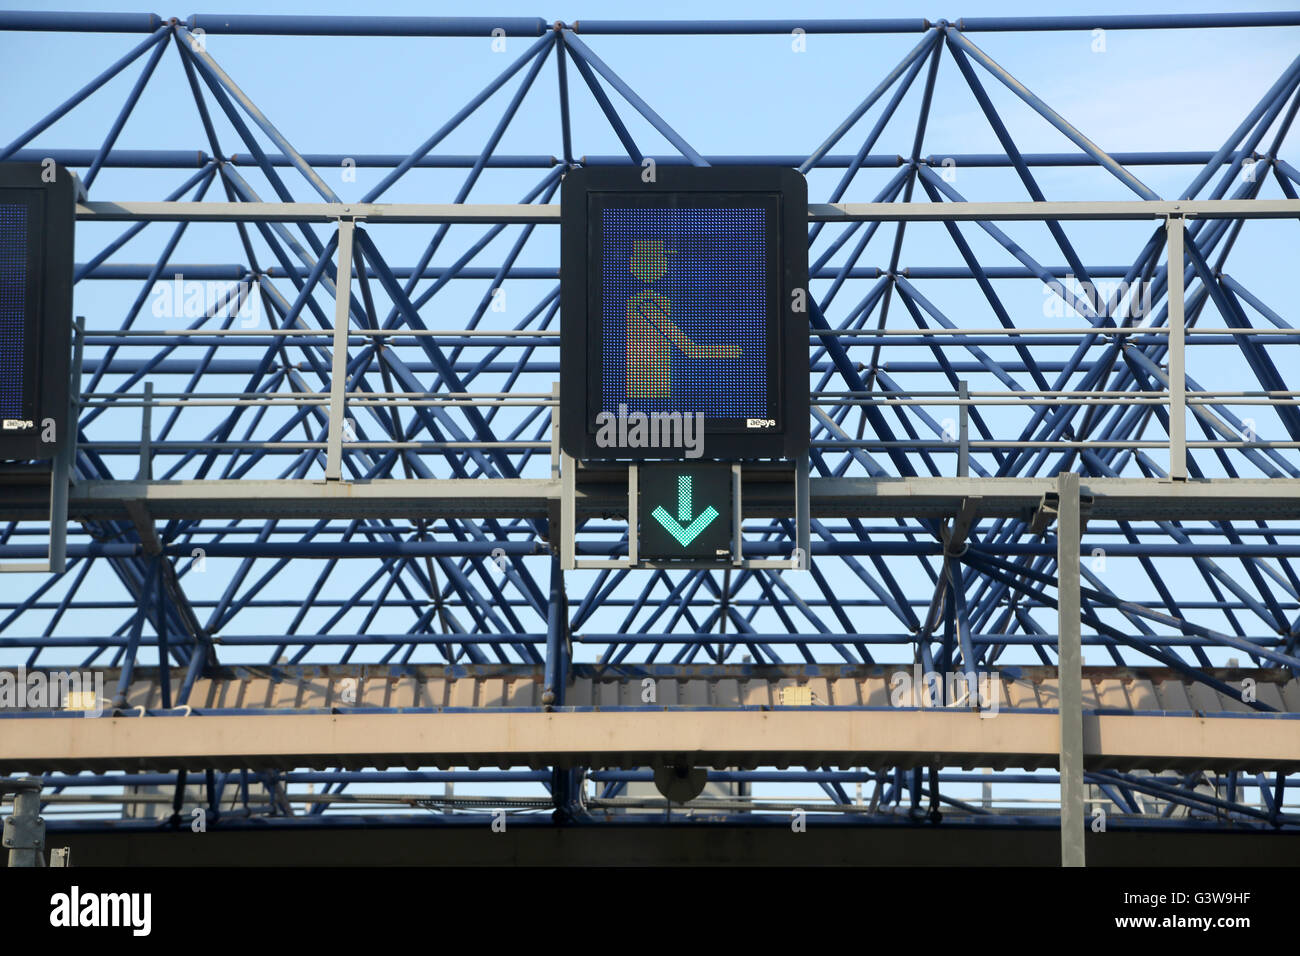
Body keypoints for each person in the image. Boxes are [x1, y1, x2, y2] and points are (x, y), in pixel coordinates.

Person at [624, 239, 741, 400]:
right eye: (663, 259)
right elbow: (690, 350)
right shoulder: (645, 302)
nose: (666, 264)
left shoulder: (650, 299)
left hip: (656, 382)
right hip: (648, 384)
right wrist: (730, 351)